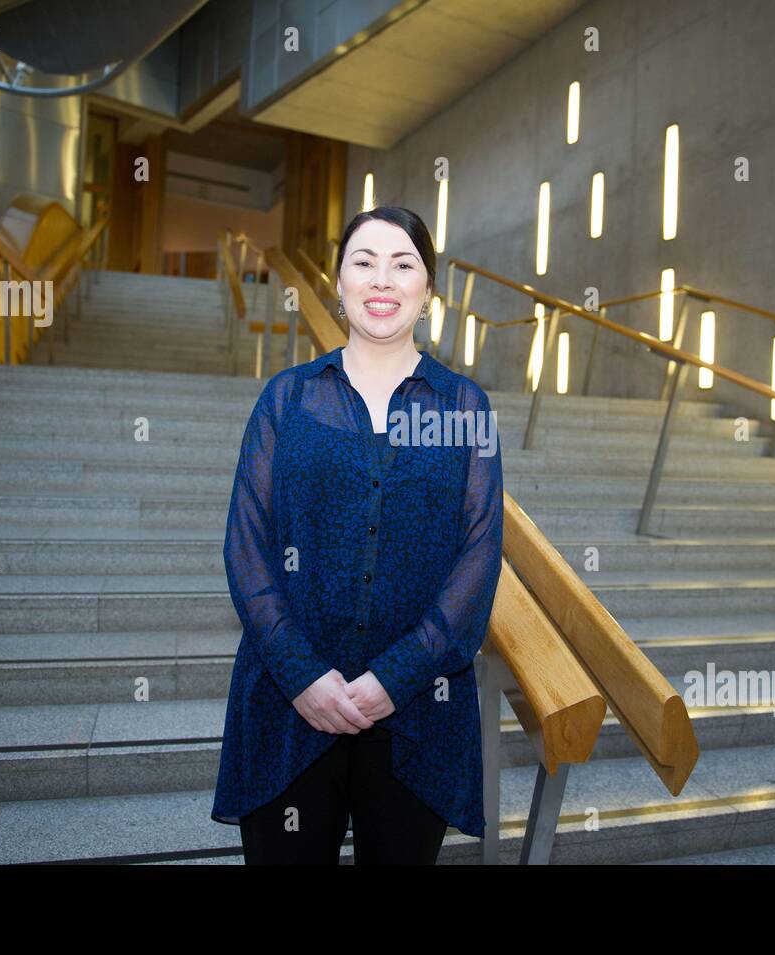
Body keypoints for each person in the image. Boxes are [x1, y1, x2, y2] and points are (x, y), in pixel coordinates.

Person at [209, 205, 504, 864]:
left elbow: (479, 556)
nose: (382, 280)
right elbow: (246, 547)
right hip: (289, 704)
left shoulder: (461, 408)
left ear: (428, 290)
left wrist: (391, 679)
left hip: (417, 713)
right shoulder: (287, 400)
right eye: (363, 262)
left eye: (403, 265)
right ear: (338, 283)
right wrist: (303, 674)